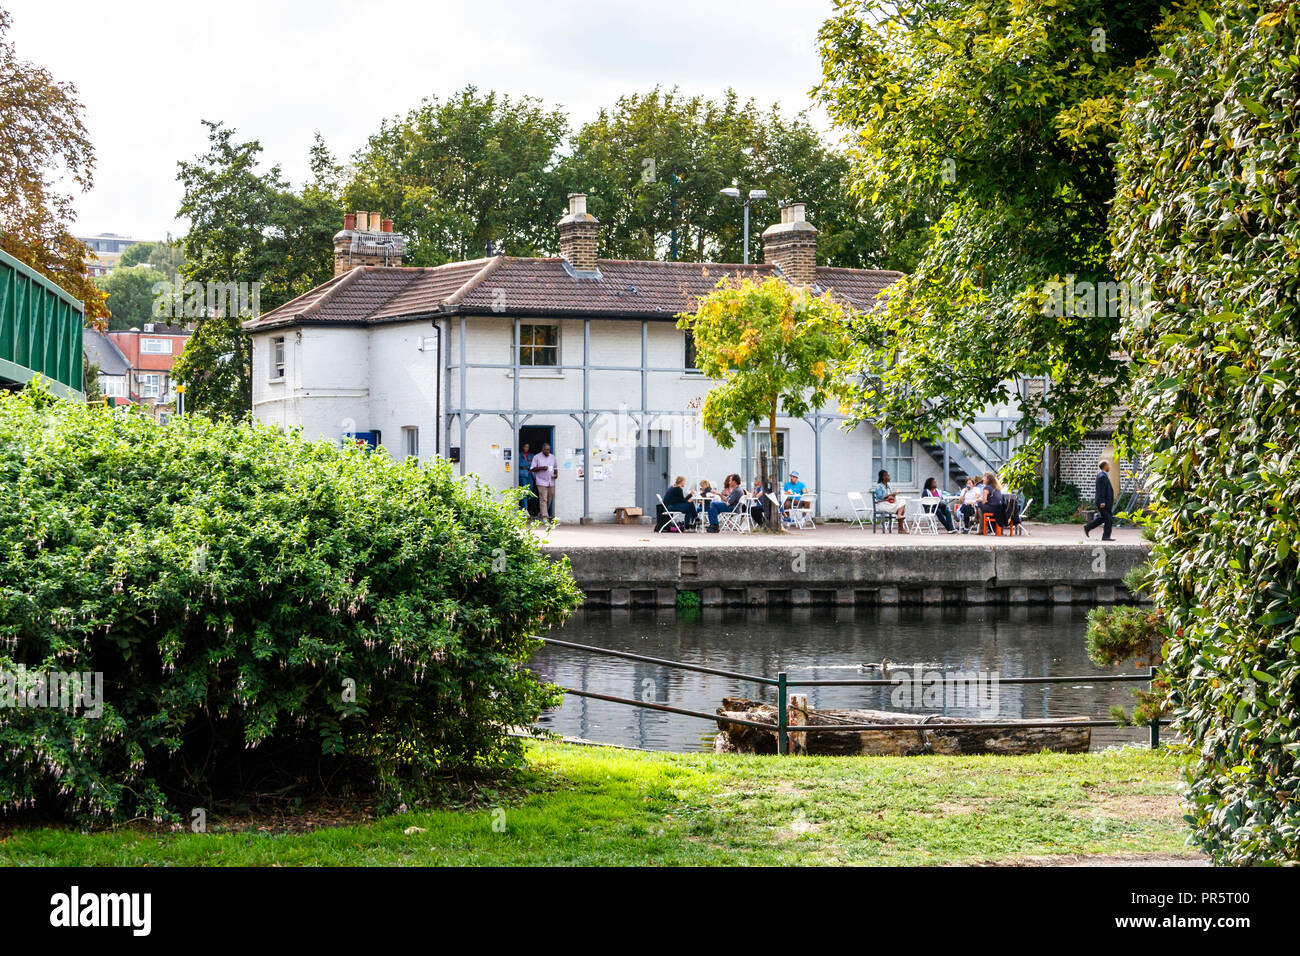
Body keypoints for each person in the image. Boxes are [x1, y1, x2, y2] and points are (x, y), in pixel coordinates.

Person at [1084, 460, 1115, 541]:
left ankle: (1088, 527)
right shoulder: (1102, 476)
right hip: (1103, 503)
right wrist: (1102, 501)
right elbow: (1101, 490)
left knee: (1103, 518)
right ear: (1105, 466)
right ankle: (1106, 536)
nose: (1110, 467)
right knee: (1108, 519)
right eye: (1108, 465)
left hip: (1105, 502)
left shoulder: (1103, 475)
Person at [529, 442, 558, 520]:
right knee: (543, 499)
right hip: (541, 481)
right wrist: (541, 468)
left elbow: (555, 468)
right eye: (546, 450)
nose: (548, 451)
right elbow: (532, 469)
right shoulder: (537, 457)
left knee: (549, 499)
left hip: (551, 481)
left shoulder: (552, 457)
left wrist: (556, 475)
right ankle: (545, 517)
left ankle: (541, 513)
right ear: (543, 450)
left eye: (549, 450)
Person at [518, 441, 535, 515]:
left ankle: (523, 507)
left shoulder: (532, 455)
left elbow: (533, 464)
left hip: (530, 475)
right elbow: (520, 464)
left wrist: (526, 466)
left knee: (530, 491)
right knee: (524, 491)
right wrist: (529, 464)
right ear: (523, 447)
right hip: (523, 475)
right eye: (525, 446)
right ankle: (525, 509)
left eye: (528, 447)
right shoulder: (519, 455)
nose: (527, 448)